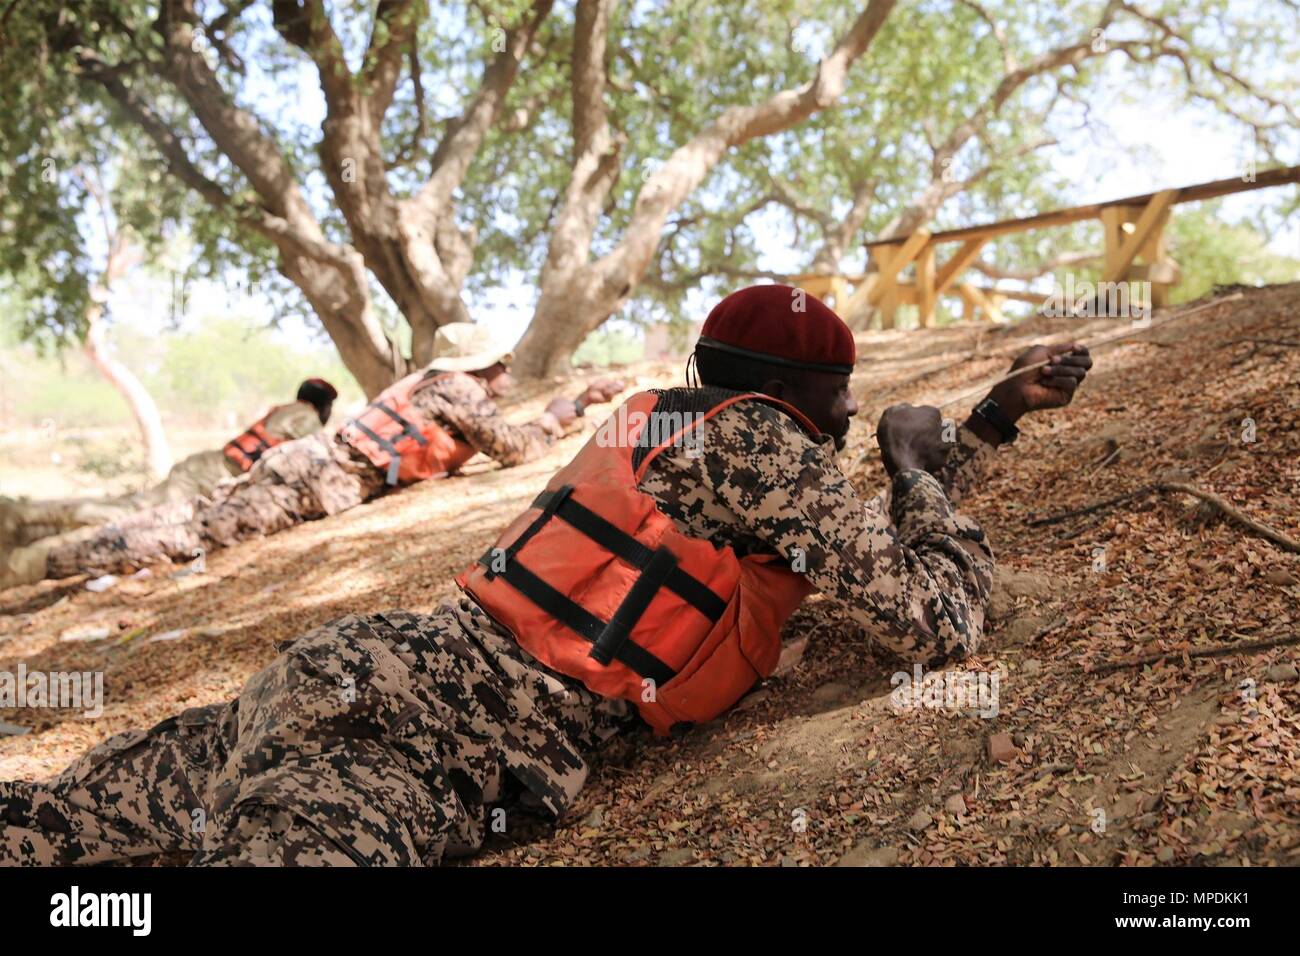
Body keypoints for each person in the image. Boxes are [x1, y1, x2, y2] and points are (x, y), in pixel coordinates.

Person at [0, 286, 1091, 865]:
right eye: (846, 402)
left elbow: (823, 530)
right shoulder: (766, 454)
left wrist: (986, 421)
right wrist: (915, 468)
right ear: (798, 404)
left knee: (47, 824)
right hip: (419, 747)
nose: (857, 422)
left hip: (357, 669)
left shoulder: (674, 421)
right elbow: (933, 616)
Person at [0, 324, 622, 589]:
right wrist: (556, 419)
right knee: (182, 534)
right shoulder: (458, 388)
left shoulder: (428, 385)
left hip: (300, 466)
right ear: (487, 364)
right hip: (310, 481)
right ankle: (35, 563)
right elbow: (511, 450)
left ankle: (30, 544)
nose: (510, 368)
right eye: (502, 360)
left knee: (179, 519)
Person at [0, 378, 337, 550]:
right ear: (321, 404)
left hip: (206, 469)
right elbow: (316, 453)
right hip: (209, 476)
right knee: (127, 514)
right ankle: (19, 517)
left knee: (126, 512)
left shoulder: (287, 411)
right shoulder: (305, 415)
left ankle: (22, 530)